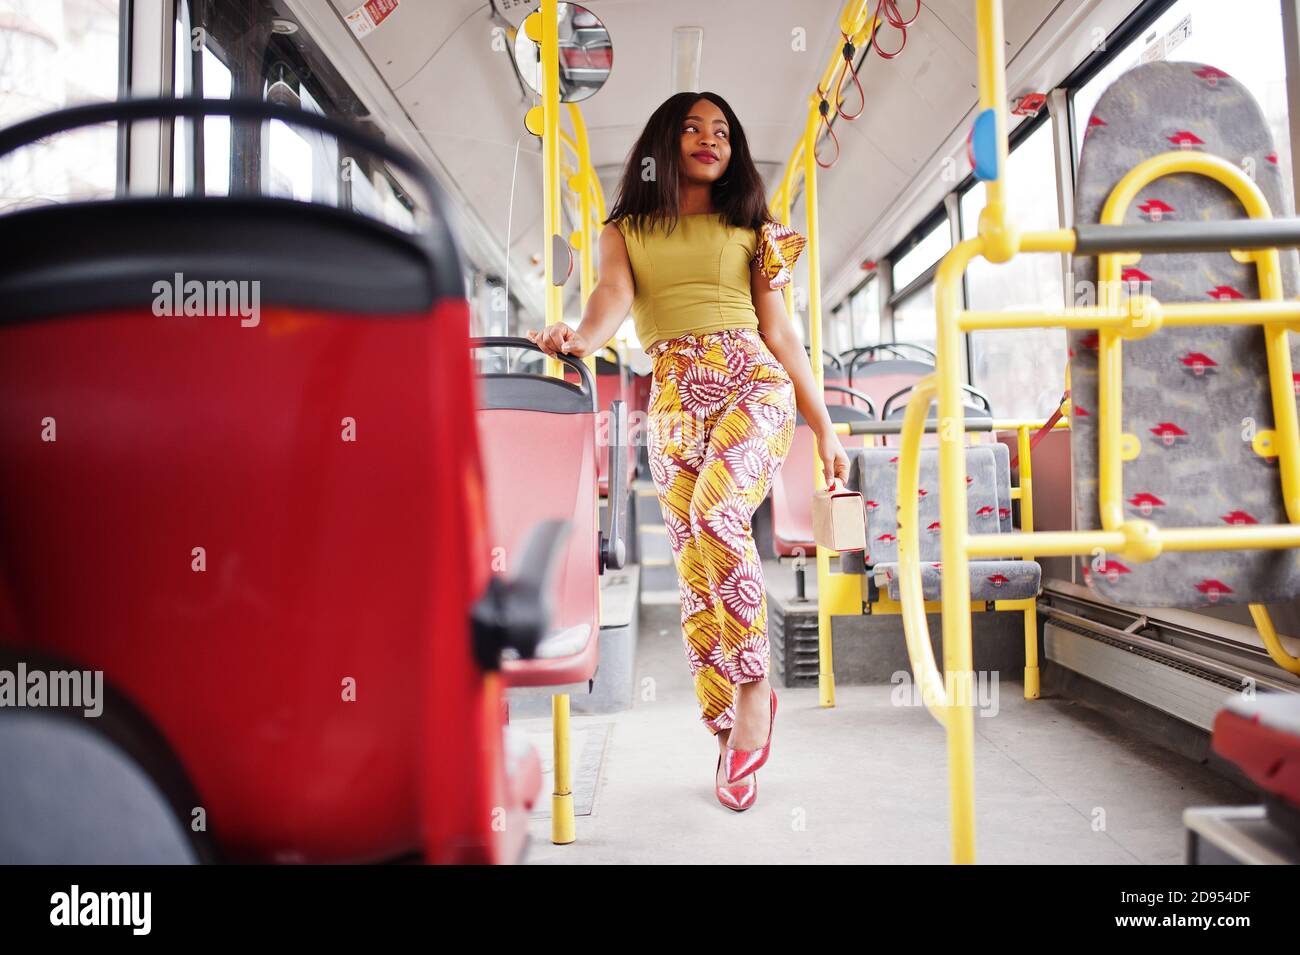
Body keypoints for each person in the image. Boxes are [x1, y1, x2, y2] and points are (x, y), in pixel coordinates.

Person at [527, 91, 849, 812]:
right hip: (672, 400)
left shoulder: (754, 226)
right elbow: (611, 298)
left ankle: (756, 689)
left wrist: (823, 424)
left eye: (724, 131)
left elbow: (782, 332)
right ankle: (726, 729)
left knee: (718, 517)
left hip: (751, 382)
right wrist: (580, 337)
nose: (712, 139)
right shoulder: (626, 229)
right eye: (695, 129)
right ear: (664, 142)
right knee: (698, 576)